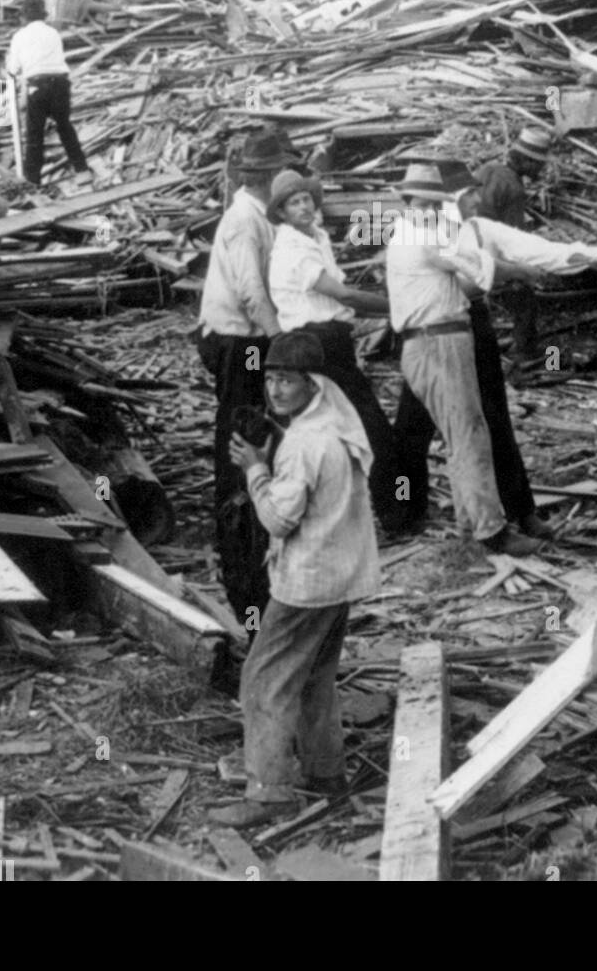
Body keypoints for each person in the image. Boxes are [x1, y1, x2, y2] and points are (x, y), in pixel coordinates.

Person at [210, 331, 380, 829]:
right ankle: (326, 773)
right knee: (315, 678)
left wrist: (256, 471)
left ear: (313, 383)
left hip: (307, 582)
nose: (276, 391)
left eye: (287, 380)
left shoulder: (305, 443)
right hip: (341, 576)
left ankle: (268, 793)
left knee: (262, 679)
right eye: (270, 379)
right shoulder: (335, 423)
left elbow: (278, 521)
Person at [386, 162, 537, 557]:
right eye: (422, 203)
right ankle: (491, 532)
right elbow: (477, 270)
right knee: (468, 437)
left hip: (440, 338)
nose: (428, 210)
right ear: (409, 202)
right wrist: (527, 268)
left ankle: (471, 526)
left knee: (464, 435)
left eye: (433, 203)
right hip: (438, 341)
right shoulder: (422, 235)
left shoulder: (421, 231)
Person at [198, 129, 300, 636]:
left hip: (252, 343)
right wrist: (281, 344)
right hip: (242, 346)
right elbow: (251, 291)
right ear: (263, 176)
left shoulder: (263, 217)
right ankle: (237, 548)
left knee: (259, 432)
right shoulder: (243, 221)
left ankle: (256, 535)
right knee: (242, 438)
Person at [266, 167, 398, 522]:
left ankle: (364, 507)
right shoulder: (293, 248)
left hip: (327, 339)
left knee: (338, 426)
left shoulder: (315, 237)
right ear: (282, 213)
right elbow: (342, 294)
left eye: (306, 198)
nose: (304, 207)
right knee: (366, 423)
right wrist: (395, 306)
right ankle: (393, 511)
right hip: (313, 342)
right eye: (294, 203)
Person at [473, 125, 554, 369]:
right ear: (527, 162)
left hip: (463, 242)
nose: (540, 170)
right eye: (538, 164)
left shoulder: (487, 169)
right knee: (524, 294)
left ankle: (482, 350)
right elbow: (512, 238)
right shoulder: (514, 188)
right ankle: (525, 353)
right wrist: (524, 270)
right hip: (486, 250)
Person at [5, 0, 91, 185]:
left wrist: (7, 66)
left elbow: (12, 69)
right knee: (65, 127)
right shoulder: (53, 33)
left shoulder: (19, 36)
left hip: (38, 86)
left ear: (24, 17)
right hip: (60, 84)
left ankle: (32, 181)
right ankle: (82, 169)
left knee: (35, 135)